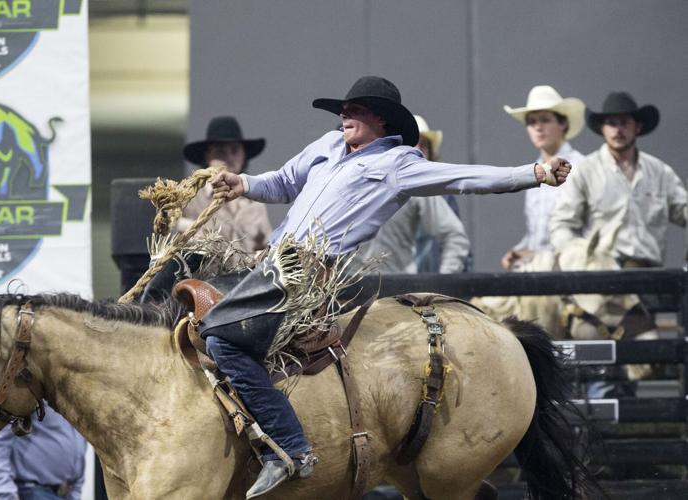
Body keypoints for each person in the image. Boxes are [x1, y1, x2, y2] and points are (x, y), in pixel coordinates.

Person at [203, 76, 572, 498]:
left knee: (223, 339)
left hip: (307, 276)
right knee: (198, 308)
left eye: (354, 109)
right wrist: (245, 184)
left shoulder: (398, 163)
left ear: (381, 118)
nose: (343, 115)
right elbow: (285, 182)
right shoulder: (326, 146)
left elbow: (466, 178)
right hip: (270, 263)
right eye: (343, 110)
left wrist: (536, 172)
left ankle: (289, 446)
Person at [549, 91, 687, 267]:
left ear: (637, 127)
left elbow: (683, 211)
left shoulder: (660, 173)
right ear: (602, 128)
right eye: (611, 123)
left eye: (624, 123)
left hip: (652, 276)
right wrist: (578, 257)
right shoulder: (586, 171)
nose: (618, 130)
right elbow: (561, 224)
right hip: (603, 275)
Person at [359, 115, 470, 273]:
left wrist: (442, 287)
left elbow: (454, 237)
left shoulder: (437, 195)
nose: (415, 151)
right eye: (409, 144)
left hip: (400, 290)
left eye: (423, 145)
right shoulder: (357, 180)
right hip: (350, 292)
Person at [501, 85, 587, 270]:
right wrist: (519, 251)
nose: (538, 127)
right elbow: (536, 233)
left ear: (563, 123)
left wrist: (539, 255)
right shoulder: (534, 172)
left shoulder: (583, 168)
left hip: (572, 269)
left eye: (545, 120)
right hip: (537, 269)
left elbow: (587, 230)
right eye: (532, 122)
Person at [179, 115, 272, 253]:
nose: (228, 157)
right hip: (202, 274)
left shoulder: (255, 202)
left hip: (247, 274)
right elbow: (168, 230)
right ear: (207, 155)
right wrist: (189, 228)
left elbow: (266, 245)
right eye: (220, 151)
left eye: (234, 150)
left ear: (243, 156)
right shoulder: (189, 196)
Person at [0, 402, 87, 500]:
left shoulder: (75, 402)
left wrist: (75, 493)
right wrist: (3, 493)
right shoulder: (29, 394)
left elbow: (78, 448)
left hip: (65, 493)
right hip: (28, 492)